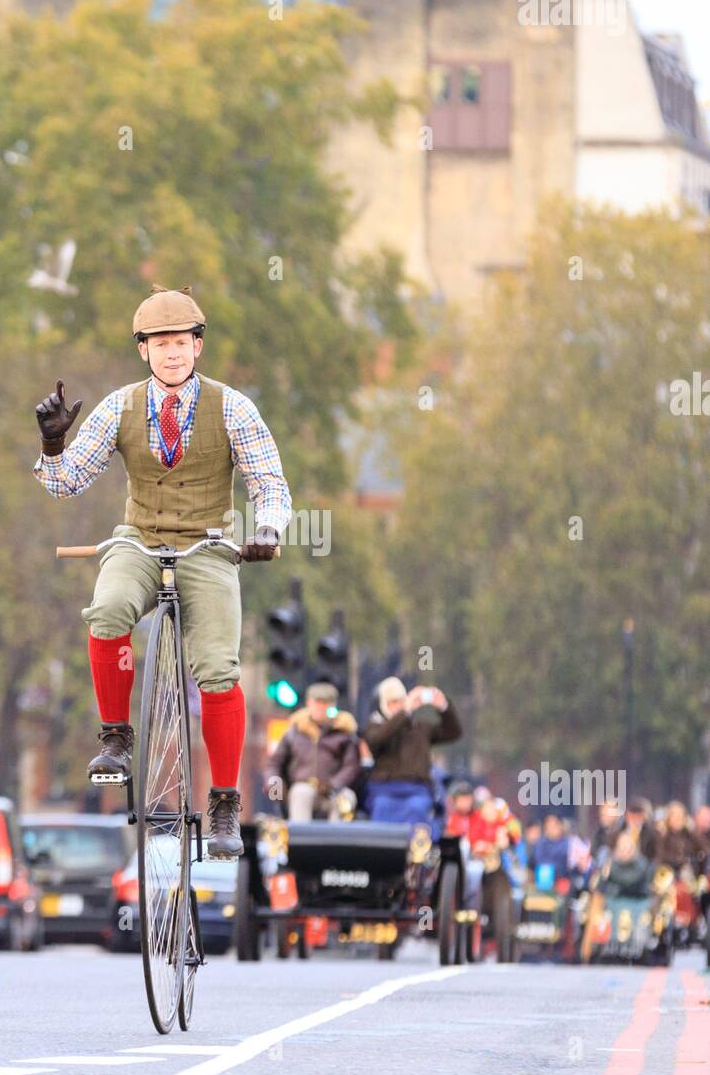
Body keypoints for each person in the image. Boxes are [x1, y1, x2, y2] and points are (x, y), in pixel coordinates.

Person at [32, 285, 292, 858]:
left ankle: (224, 803)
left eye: (182, 343)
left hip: (209, 547)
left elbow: (269, 483)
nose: (172, 354)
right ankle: (116, 738)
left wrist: (268, 528)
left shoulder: (234, 407)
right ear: (143, 351)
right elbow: (64, 483)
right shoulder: (120, 406)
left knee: (219, 668)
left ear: (197, 347)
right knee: (107, 609)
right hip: (139, 540)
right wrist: (53, 444)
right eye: (160, 344)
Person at [361, 677, 462, 832]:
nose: (397, 706)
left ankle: (418, 850)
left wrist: (444, 707)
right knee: (382, 808)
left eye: (400, 701)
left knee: (417, 809)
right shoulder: (375, 727)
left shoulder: (420, 729)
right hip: (384, 788)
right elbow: (376, 740)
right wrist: (404, 712)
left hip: (417, 788)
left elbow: (453, 732)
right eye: (392, 703)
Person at [264, 682, 360, 821]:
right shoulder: (295, 731)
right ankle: (301, 839)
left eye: (326, 704)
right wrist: (274, 784)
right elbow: (274, 763)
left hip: (332, 790)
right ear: (309, 703)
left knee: (347, 798)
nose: (322, 708)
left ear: (334, 705)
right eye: (318, 703)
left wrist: (334, 784)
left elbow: (351, 766)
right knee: (301, 793)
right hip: (301, 787)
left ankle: (338, 841)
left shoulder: (344, 734)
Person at [604, 832, 655, 899]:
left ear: (633, 849)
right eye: (621, 848)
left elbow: (646, 889)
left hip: (638, 901)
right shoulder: (610, 865)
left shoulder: (643, 865)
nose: (624, 852)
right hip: (616, 902)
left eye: (627, 848)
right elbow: (604, 887)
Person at [656, 801, 703, 874]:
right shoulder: (663, 834)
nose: (678, 820)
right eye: (675, 816)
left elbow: (702, 848)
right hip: (668, 871)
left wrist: (691, 830)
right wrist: (681, 861)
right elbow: (660, 856)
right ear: (668, 818)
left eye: (681, 817)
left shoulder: (689, 834)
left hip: (686, 873)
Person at [620, 797, 658, 862]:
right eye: (632, 816)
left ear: (643, 817)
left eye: (638, 817)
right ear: (626, 816)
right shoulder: (619, 832)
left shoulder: (651, 834)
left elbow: (654, 855)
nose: (635, 820)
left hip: (644, 867)